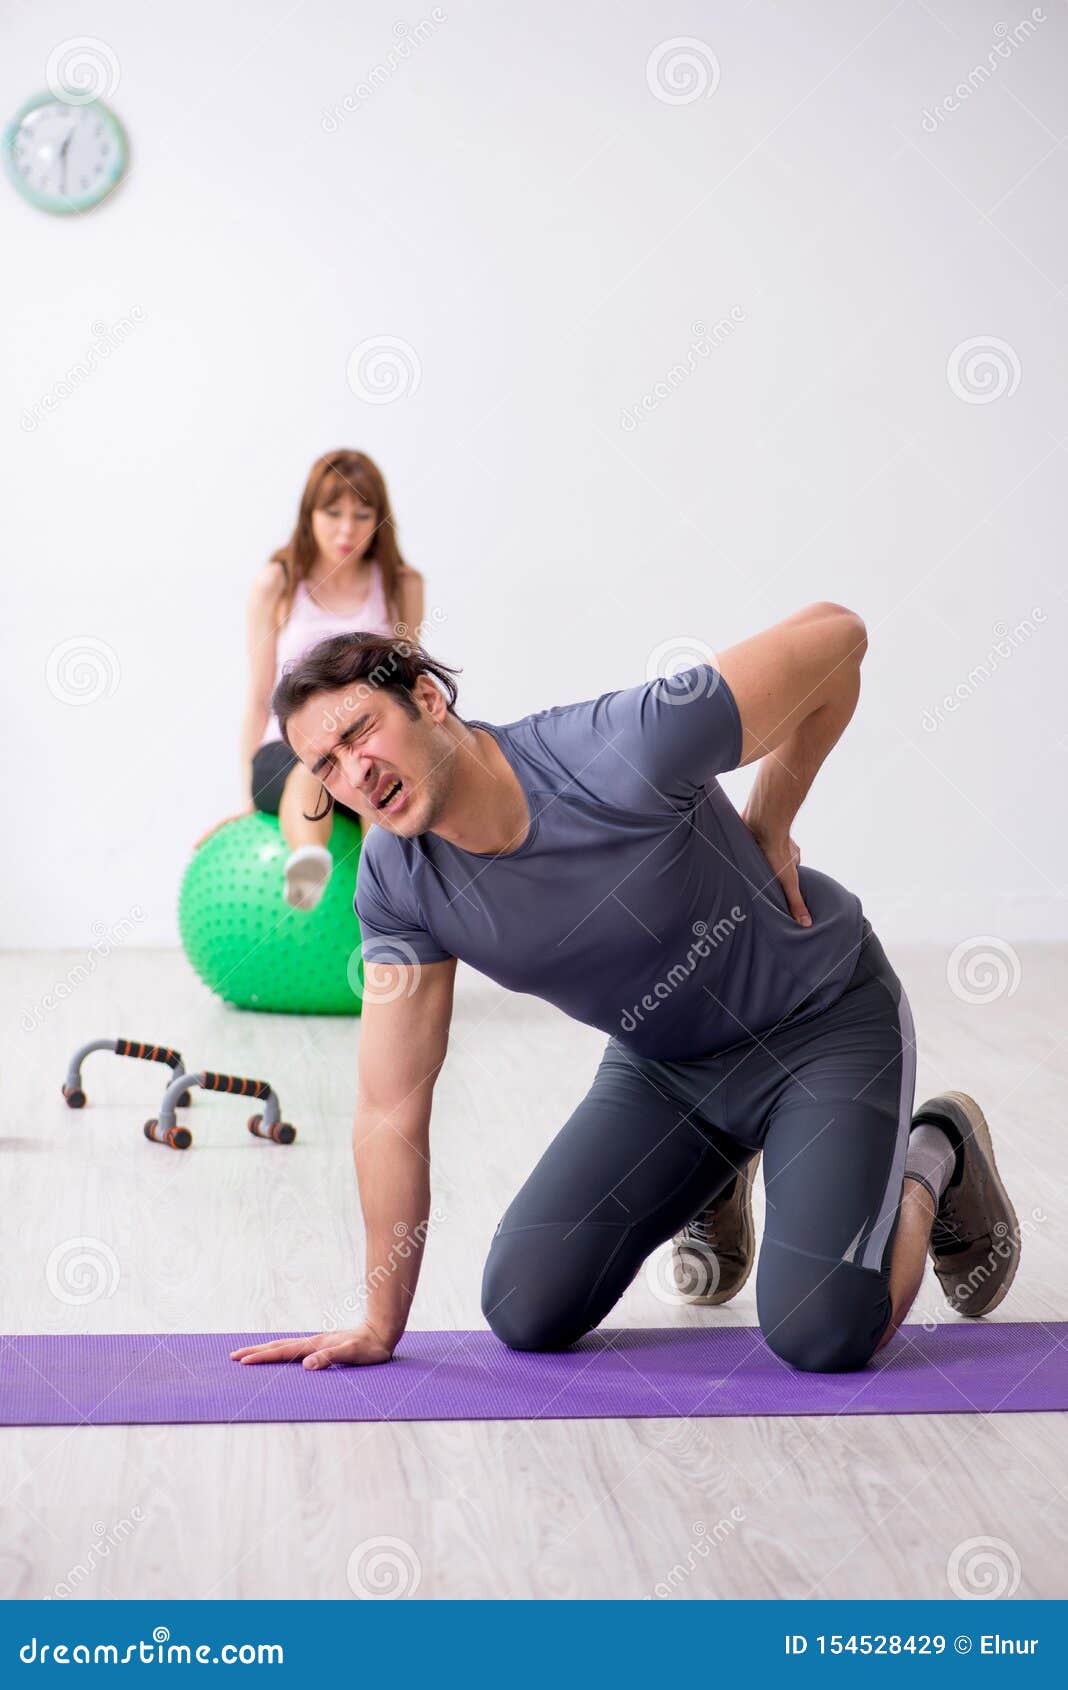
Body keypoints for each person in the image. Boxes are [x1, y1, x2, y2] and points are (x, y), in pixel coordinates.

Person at [231, 605, 1020, 1374]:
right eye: (326, 764)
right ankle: (722, 1169)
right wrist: (379, 1321)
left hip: (822, 1025)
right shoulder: (399, 880)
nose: (353, 771)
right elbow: (390, 1104)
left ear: (428, 701)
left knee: (825, 1332)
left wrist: (771, 818)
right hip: (667, 1069)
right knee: (525, 1308)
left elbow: (838, 639)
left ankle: (933, 1154)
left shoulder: (624, 744)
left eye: (359, 729)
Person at [238, 448, 424, 910]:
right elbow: (258, 697)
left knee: (370, 769)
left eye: (363, 515)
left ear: (379, 520)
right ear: (309, 515)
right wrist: (244, 805)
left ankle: (385, 896)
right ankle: (309, 858)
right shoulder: (277, 583)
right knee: (316, 761)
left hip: (369, 750)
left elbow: (408, 686)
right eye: (333, 512)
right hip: (291, 753)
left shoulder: (401, 584)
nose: (347, 529)